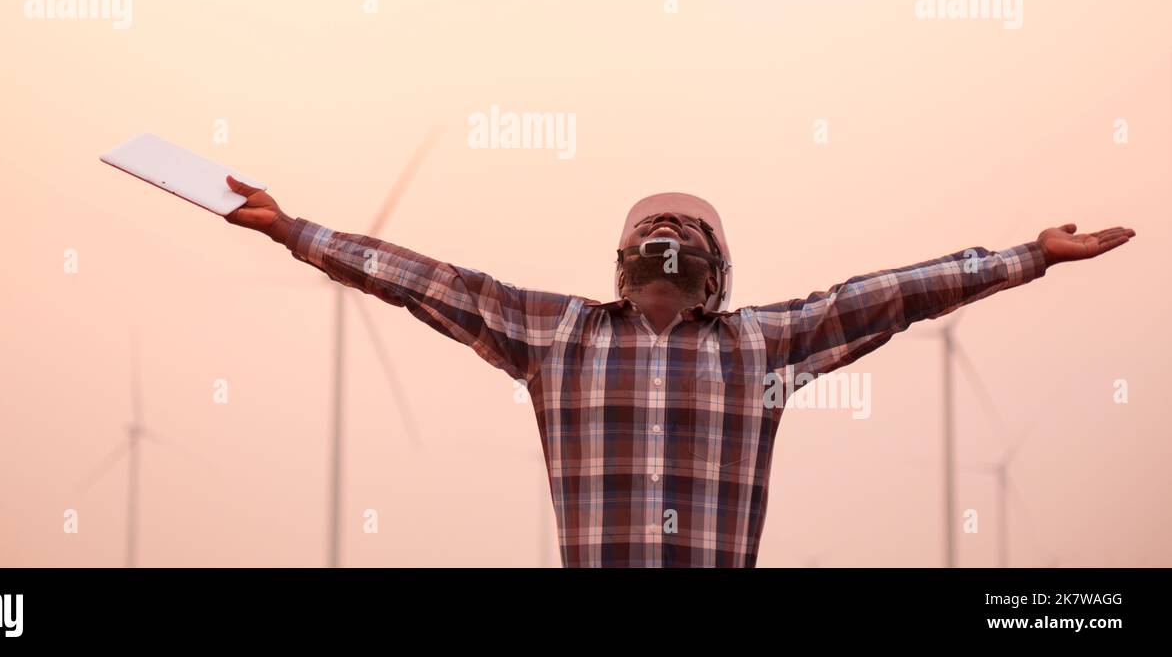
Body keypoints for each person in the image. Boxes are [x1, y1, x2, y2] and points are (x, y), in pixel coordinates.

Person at [223, 176, 1134, 568]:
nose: (670, 239)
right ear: (622, 259)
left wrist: (1029, 255)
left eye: (688, 234)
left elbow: (894, 294)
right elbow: (424, 281)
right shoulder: (556, 333)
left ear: (717, 270)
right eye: (655, 231)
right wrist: (299, 231)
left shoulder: (762, 344)